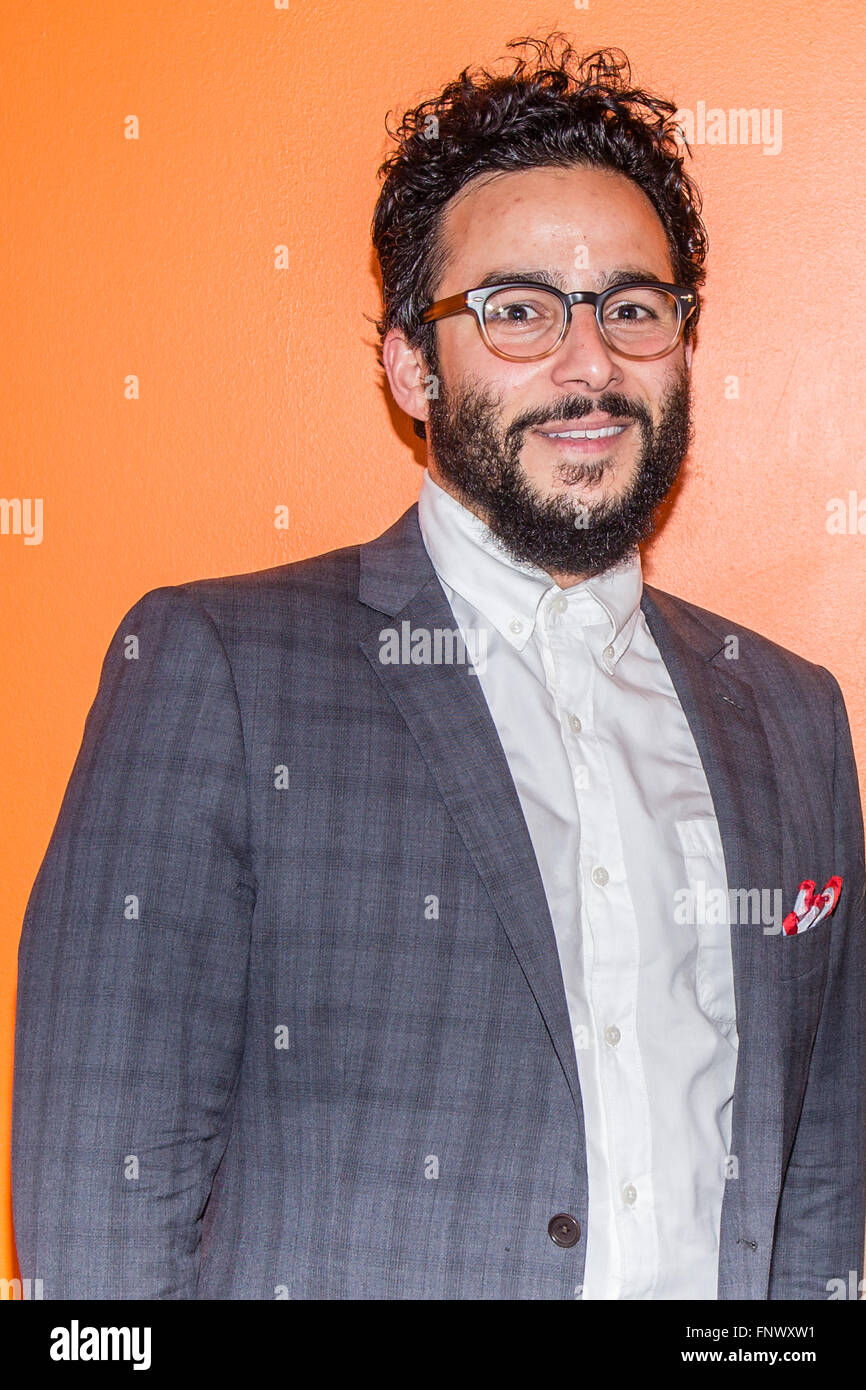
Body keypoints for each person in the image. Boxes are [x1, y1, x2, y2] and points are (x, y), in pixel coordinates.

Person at [13, 34, 865, 1300]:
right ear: (412, 365)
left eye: (632, 307)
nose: (588, 363)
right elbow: (100, 1205)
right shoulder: (220, 669)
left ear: (683, 344)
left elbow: (816, 1192)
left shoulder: (792, 713)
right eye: (515, 310)